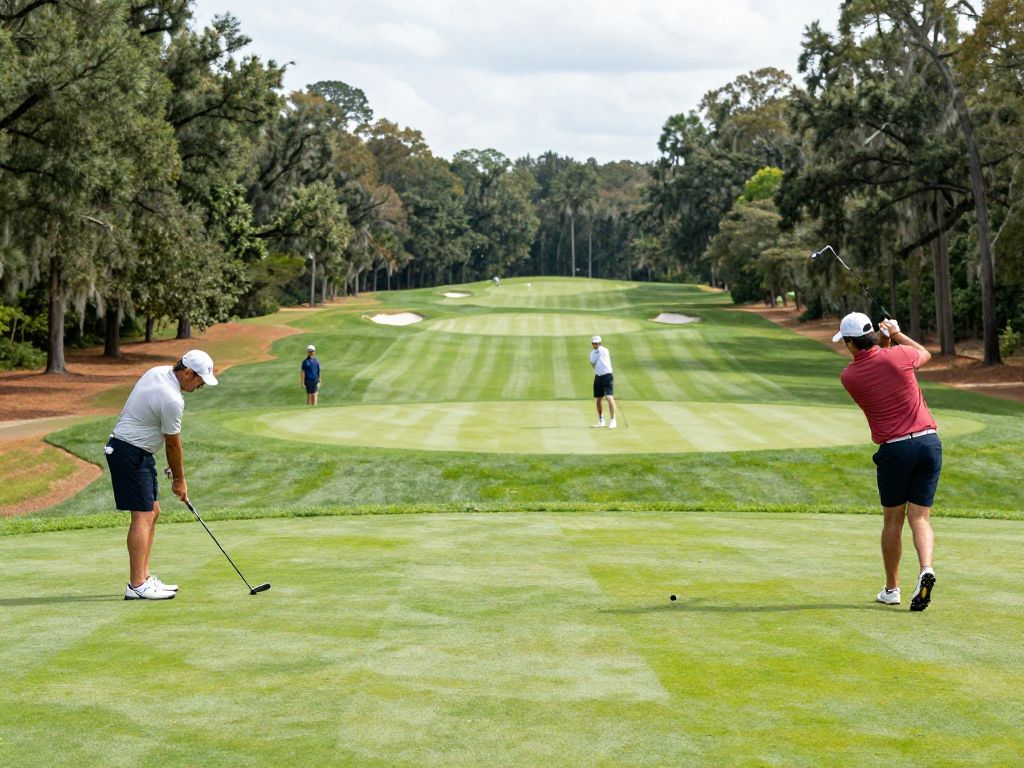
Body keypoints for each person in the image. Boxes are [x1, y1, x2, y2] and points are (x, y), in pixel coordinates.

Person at [834, 312, 940, 611]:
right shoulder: (899, 356)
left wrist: (885, 339)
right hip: (929, 443)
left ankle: (892, 589)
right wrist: (896, 332)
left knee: (893, 519)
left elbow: (874, 358)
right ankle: (926, 569)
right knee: (920, 517)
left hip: (894, 451)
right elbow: (925, 354)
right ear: (872, 336)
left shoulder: (849, 377)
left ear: (850, 344)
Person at [105, 349, 218, 600]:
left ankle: (144, 578)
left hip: (136, 451)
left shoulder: (158, 372)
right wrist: (179, 479)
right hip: (129, 452)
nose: (201, 386)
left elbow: (151, 422)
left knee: (152, 512)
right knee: (143, 516)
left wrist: (172, 466)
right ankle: (136, 585)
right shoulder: (172, 399)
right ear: (188, 373)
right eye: (200, 381)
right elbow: (173, 444)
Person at [589, 335, 616, 429]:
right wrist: (596, 354)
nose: (595, 345)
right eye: (593, 343)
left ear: (600, 343)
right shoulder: (592, 353)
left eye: (597, 343)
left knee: (609, 397)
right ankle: (601, 420)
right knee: (598, 399)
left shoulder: (604, 350)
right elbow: (592, 363)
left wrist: (598, 351)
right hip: (598, 377)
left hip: (607, 376)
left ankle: (613, 420)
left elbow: (601, 354)